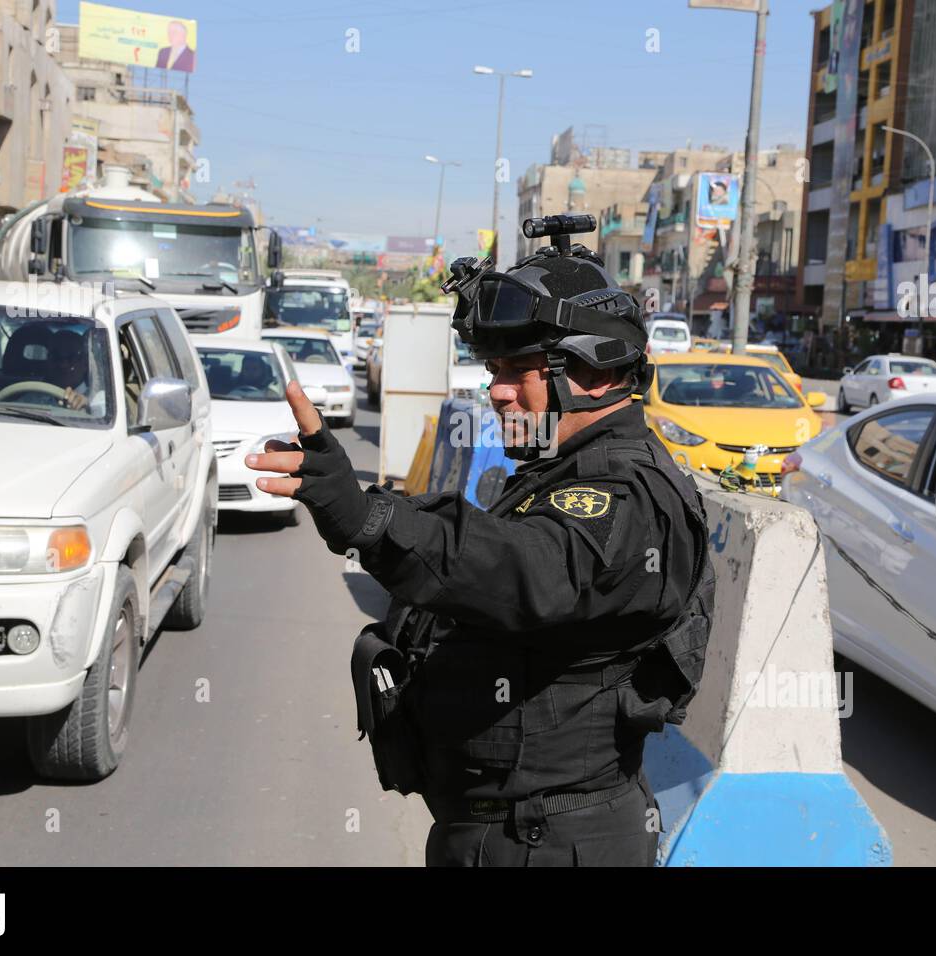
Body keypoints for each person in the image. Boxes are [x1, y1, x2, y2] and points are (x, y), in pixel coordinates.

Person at [246, 214, 715, 867]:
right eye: (492, 367)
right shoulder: (559, 470)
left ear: (600, 373)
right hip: (504, 833)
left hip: (549, 843)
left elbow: (525, 571)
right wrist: (369, 505)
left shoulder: (629, 494)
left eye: (518, 369)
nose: (495, 390)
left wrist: (369, 521)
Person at [48, 330, 105, 414]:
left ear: (85, 363)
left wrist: (88, 409)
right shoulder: (30, 399)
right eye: (56, 356)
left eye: (72, 357)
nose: (63, 364)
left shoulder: (101, 402)